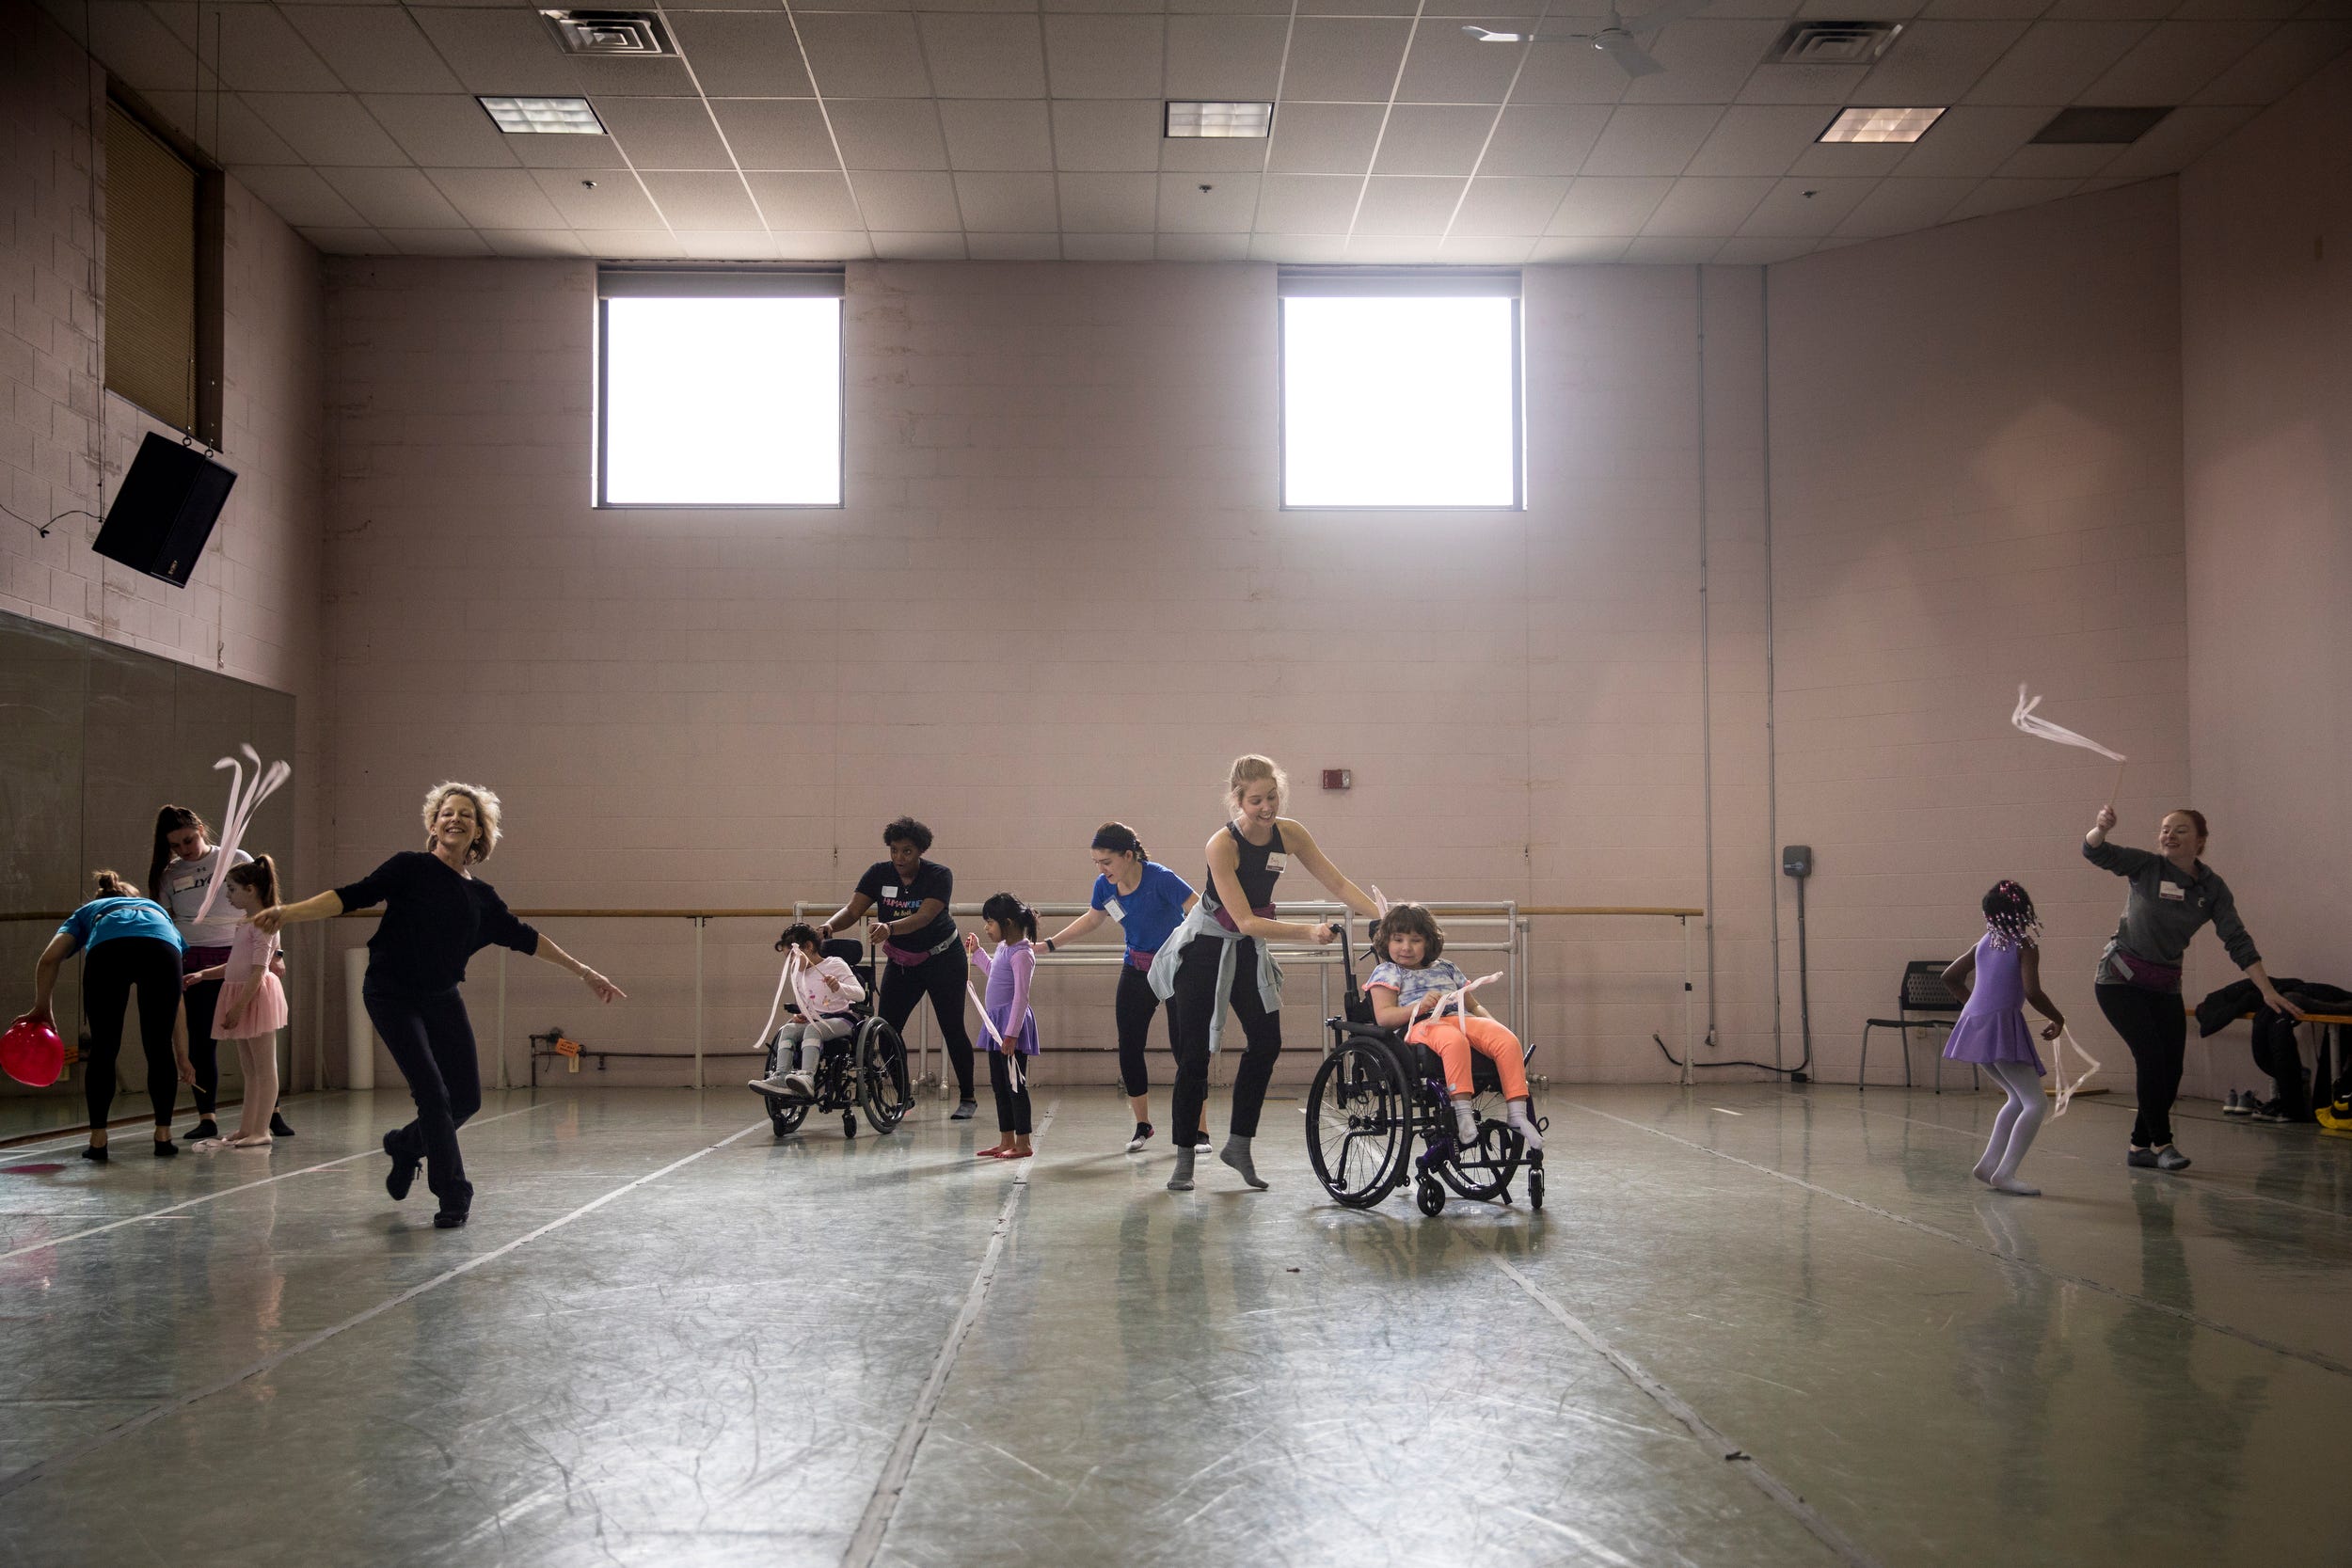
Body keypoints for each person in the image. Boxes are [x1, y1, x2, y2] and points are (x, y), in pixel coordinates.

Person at [256, 782, 625, 1227]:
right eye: (447, 812)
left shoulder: (482, 899)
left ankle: (407, 1145)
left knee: (466, 1098)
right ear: (434, 825)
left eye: (466, 815)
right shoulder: (409, 868)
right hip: (390, 992)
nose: (455, 819)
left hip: (441, 996)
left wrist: (585, 971)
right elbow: (351, 896)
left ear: (479, 833)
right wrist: (288, 912)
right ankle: (453, 1193)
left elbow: (527, 938)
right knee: (432, 1092)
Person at [1152, 754, 1380, 1194]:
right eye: (1256, 800)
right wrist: (1306, 931)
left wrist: (1385, 916)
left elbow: (1337, 883)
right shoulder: (1222, 844)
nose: (1267, 806)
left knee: (1267, 1040)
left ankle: (1239, 1144)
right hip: (1204, 949)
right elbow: (1244, 921)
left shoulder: (1291, 834)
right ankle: (1184, 1158)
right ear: (1237, 800)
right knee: (1194, 1055)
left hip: (1245, 950)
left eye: (1272, 796)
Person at [2084, 804, 2303, 1171]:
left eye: (2180, 830)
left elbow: (2237, 939)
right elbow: (2095, 851)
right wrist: (2100, 829)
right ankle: (2163, 1143)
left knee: (2172, 1068)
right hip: (2120, 981)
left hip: (2165, 985)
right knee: (2151, 1058)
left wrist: (2266, 989)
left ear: (2200, 841)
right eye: (2165, 828)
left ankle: (2139, 1148)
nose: (2168, 834)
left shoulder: (2211, 888)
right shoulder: (2147, 867)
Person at [1039, 823, 1201, 1153]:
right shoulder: (1105, 886)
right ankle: (1143, 1125)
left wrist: (1192, 951)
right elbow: (1092, 919)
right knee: (1129, 1045)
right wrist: (1049, 945)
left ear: (1129, 855)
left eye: (1107, 862)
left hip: (1174, 969)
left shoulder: (1162, 879)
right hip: (1136, 968)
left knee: (1185, 1049)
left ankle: (1200, 1129)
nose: (1101, 869)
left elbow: (1198, 911)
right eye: (1096, 862)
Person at [16, 871, 193, 1161]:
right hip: (162, 951)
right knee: (158, 1047)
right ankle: (163, 1136)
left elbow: (49, 959)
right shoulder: (157, 911)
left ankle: (98, 1140)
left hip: (109, 952)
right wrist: (182, 1054)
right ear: (132, 899)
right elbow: (177, 1002)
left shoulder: (89, 911)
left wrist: (42, 1007)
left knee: (104, 1048)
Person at [815, 816, 978, 1120]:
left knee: (952, 1026)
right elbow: (853, 910)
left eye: (907, 852)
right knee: (885, 1029)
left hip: (943, 958)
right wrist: (829, 926)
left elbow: (925, 916)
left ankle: (967, 1096)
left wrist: (890, 927)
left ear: (919, 852)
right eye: (894, 851)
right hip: (903, 963)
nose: (899, 858)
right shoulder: (878, 874)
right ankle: (903, 1094)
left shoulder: (939, 875)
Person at [151, 804, 294, 1142]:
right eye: (176, 846)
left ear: (201, 829)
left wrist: (277, 953)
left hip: (240, 955)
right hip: (202, 959)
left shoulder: (236, 859)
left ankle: (268, 1117)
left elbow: (268, 908)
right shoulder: (169, 875)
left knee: (257, 1047)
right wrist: (194, 972)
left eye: (189, 840)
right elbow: (166, 918)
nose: (185, 850)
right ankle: (212, 1117)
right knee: (207, 1040)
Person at [1363, 902, 1542, 1152]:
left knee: (1506, 1038)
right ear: (1387, 942)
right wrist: (1418, 1007)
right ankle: (1463, 1113)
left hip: (1460, 1019)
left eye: (1415, 940)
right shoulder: (1387, 972)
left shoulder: (1447, 968)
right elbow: (1384, 1017)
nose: (1406, 947)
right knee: (1453, 1040)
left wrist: (1490, 1024)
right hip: (1420, 1026)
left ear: (1428, 943)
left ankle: (1517, 1113)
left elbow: (1474, 1006)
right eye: (1398, 939)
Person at [1939, 881, 2066, 1196]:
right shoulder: (2024, 946)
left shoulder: (1984, 942)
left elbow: (1949, 977)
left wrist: (1976, 1006)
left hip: (1974, 1024)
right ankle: (2005, 1173)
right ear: (2023, 911)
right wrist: (2057, 1017)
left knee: (2016, 1098)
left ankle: (1989, 1164)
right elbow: (2032, 991)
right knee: (2035, 1104)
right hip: (1999, 1027)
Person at [184, 857, 290, 1148]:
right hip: (240, 991)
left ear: (251, 889)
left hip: (254, 995)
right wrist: (205, 974)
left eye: (232, 890)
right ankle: (247, 1128)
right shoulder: (245, 922)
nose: (228, 896)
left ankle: (262, 1130)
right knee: (250, 1069)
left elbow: (259, 969)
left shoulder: (264, 922)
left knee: (265, 1068)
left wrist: (240, 1006)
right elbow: (235, 963)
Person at [746, 922, 866, 1099]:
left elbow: (860, 995)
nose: (790, 963)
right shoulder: (798, 975)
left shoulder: (835, 965)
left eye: (792, 957)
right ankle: (781, 1076)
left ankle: (807, 1078)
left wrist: (839, 987)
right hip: (816, 1020)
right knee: (788, 1029)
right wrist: (800, 1014)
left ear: (809, 947)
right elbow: (806, 1004)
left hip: (843, 1019)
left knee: (813, 1029)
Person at [965, 893, 1041, 1160]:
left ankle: (1023, 1143)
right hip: (995, 1025)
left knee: (1015, 1086)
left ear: (1007, 922)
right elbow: (993, 972)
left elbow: (1021, 996)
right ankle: (1006, 1139)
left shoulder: (1022, 954)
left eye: (989, 923)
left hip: (1010, 1027)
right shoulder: (1004, 949)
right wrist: (977, 954)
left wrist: (1011, 1034)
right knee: (999, 1086)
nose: (986, 928)